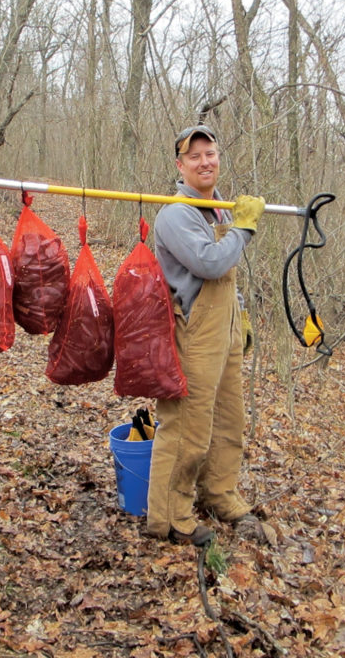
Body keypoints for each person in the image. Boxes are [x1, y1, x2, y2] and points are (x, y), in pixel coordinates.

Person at [146, 124, 267, 546]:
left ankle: (219, 493)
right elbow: (211, 263)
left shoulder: (219, 209)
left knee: (228, 420)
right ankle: (170, 516)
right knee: (187, 427)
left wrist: (242, 316)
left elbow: (229, 273)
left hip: (226, 329)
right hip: (194, 332)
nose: (205, 162)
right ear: (180, 166)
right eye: (194, 156)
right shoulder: (176, 213)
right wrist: (245, 228)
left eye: (210, 153)